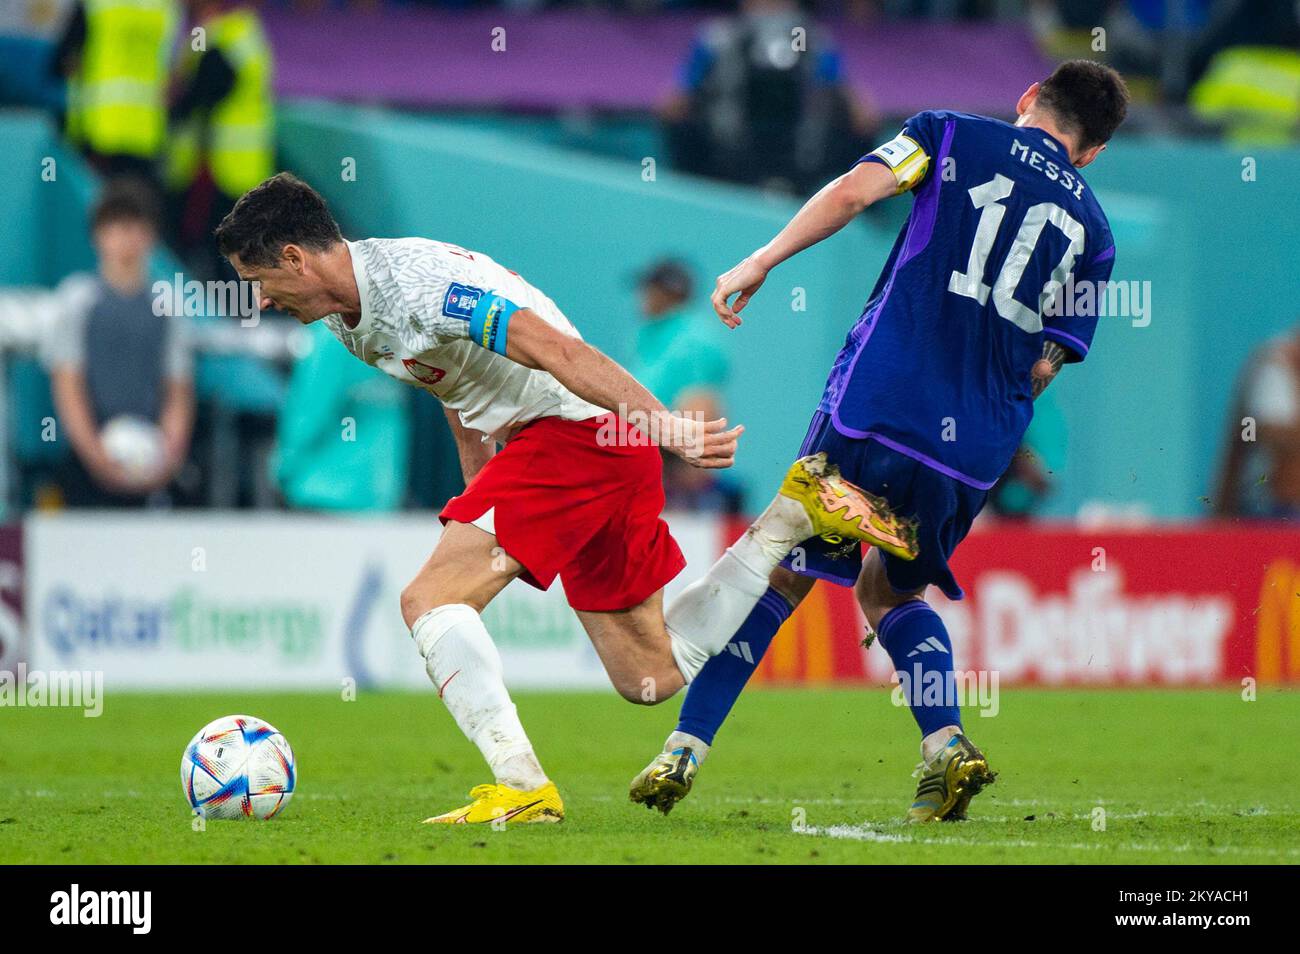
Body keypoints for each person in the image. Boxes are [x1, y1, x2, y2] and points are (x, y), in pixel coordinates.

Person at [214, 173, 911, 825]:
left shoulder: (417, 287)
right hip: (584, 451)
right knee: (650, 676)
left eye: (261, 282)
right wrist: (476, 487)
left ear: (297, 257)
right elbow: (456, 389)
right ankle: (788, 523)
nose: (264, 301)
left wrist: (663, 425)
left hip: (576, 435)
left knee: (428, 599)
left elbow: (556, 352)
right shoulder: (346, 319)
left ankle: (523, 790)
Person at [630, 60, 1129, 823]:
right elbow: (1042, 366)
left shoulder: (947, 132)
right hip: (974, 444)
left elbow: (855, 191)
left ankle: (683, 749)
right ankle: (945, 744)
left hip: (877, 403)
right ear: (1092, 152)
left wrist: (762, 259)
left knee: (785, 571)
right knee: (891, 592)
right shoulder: (1095, 235)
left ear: (1027, 97)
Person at [43, 178, 195, 507]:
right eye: (116, 227)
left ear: (151, 236)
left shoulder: (167, 303)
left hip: (150, 464)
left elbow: (178, 387)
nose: (126, 239)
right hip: (87, 467)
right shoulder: (78, 299)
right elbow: (68, 384)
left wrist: (167, 455)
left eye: (135, 227)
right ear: (98, 236)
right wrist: (96, 457)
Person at [166, 0, 275, 281]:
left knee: (222, 251)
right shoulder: (244, 33)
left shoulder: (220, 42)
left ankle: (230, 314)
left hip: (218, 168)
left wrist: (170, 106)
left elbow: (198, 97)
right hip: (238, 167)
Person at [629, 258, 741, 514]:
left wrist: (687, 462)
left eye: (649, 289)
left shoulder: (695, 338)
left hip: (668, 444)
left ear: (668, 292)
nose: (642, 296)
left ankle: (685, 498)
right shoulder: (648, 334)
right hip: (643, 436)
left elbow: (702, 402)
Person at [52, 0, 178, 188]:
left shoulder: (96, 5)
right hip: (145, 131)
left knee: (97, 205)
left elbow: (62, 61)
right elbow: (175, 69)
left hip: (99, 128)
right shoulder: (165, 7)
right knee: (136, 206)